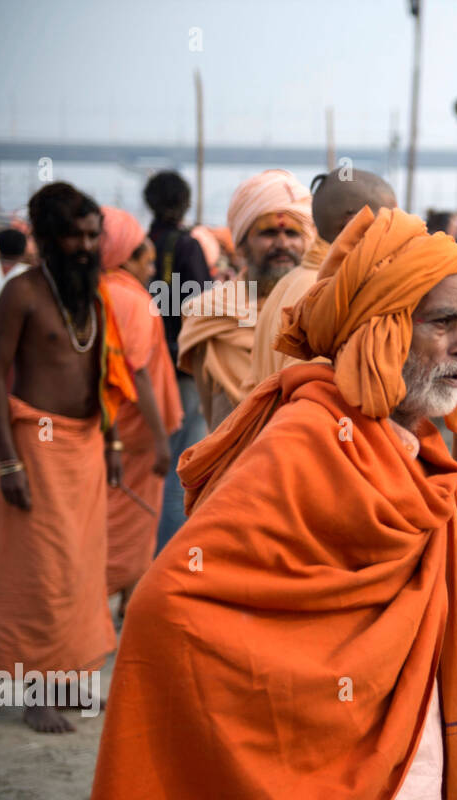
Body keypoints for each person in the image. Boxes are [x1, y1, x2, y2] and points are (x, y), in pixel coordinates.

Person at [80, 207, 457, 800]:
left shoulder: (415, 442)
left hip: (408, 754)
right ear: (384, 329)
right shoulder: (310, 432)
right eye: (443, 322)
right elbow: (169, 601)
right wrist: (300, 691)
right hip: (325, 768)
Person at [0, 183, 135, 733]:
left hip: (85, 446)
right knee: (41, 572)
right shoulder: (22, 293)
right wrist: (6, 461)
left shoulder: (93, 293)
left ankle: (71, 680)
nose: (85, 244)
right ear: (49, 237)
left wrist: (114, 440)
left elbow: (105, 372)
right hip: (34, 445)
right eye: (73, 235)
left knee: (80, 572)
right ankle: (31, 689)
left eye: (92, 235)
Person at [177, 169, 314, 429]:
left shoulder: (320, 312)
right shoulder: (210, 314)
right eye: (269, 233)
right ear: (241, 245)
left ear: (306, 242)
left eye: (293, 234)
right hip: (231, 461)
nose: (282, 243)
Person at [245, 167, 397, 389]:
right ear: (355, 223)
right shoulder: (325, 291)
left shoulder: (295, 279)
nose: (397, 233)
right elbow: (313, 397)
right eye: (390, 222)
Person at [98, 208, 181, 609]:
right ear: (127, 256)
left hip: (114, 429)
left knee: (118, 516)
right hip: (136, 433)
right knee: (131, 523)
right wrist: (162, 439)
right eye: (146, 260)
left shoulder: (97, 290)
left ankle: (127, 605)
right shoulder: (130, 298)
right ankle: (108, 602)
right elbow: (138, 373)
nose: (150, 268)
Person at [145, 171, 212, 553]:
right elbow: (203, 305)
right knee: (178, 471)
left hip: (140, 368)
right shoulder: (186, 246)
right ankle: (163, 563)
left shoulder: (138, 244)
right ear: (184, 203)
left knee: (149, 467)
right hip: (180, 367)